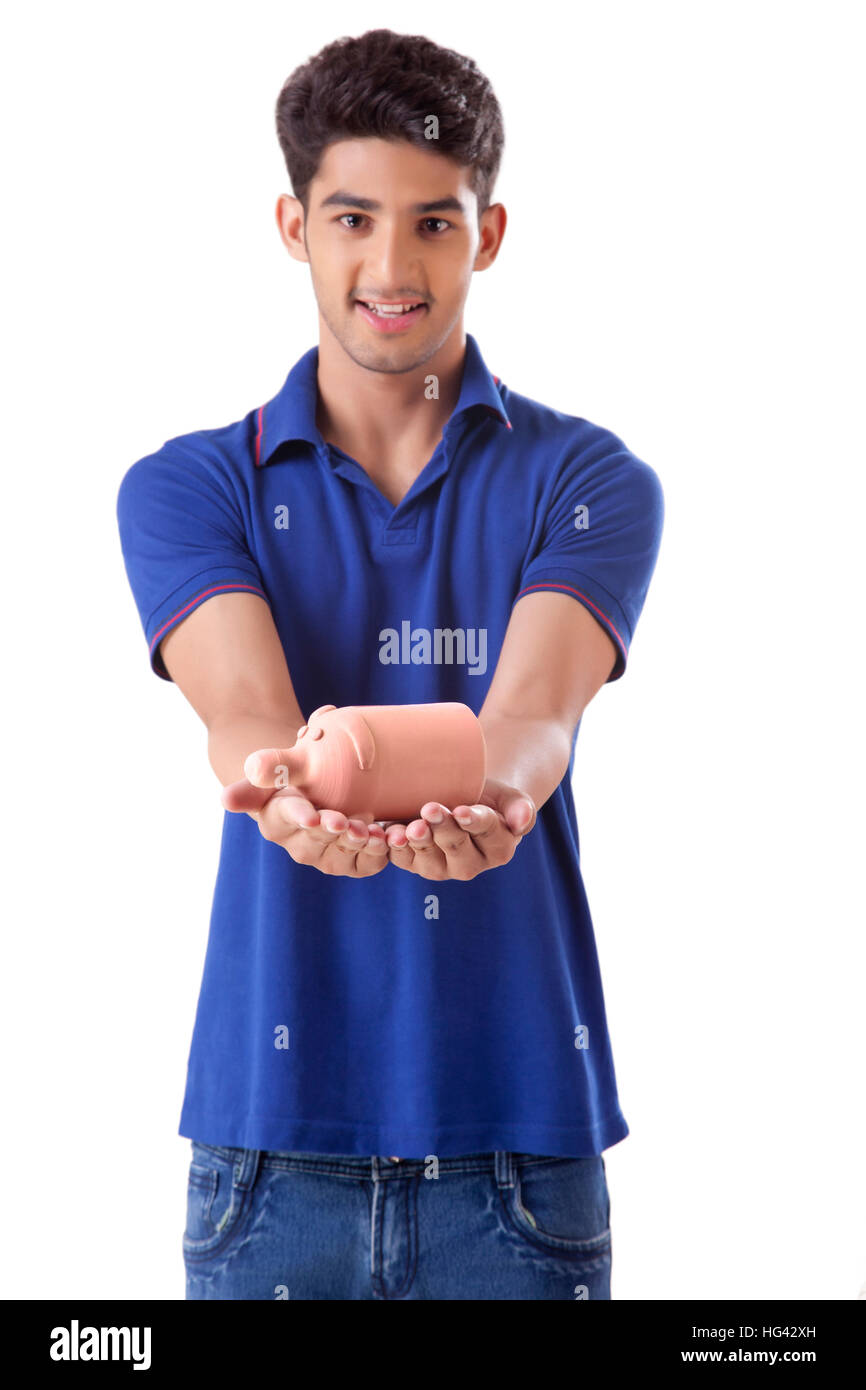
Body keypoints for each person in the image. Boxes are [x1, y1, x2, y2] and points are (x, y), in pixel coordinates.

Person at [116, 27, 664, 1301]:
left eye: (433, 223)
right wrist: (285, 786)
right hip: (268, 1150)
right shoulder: (190, 486)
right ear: (293, 225)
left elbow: (532, 716)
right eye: (352, 217)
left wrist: (504, 792)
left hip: (519, 1150)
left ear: (489, 234)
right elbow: (245, 710)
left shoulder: (587, 482)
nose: (389, 266)